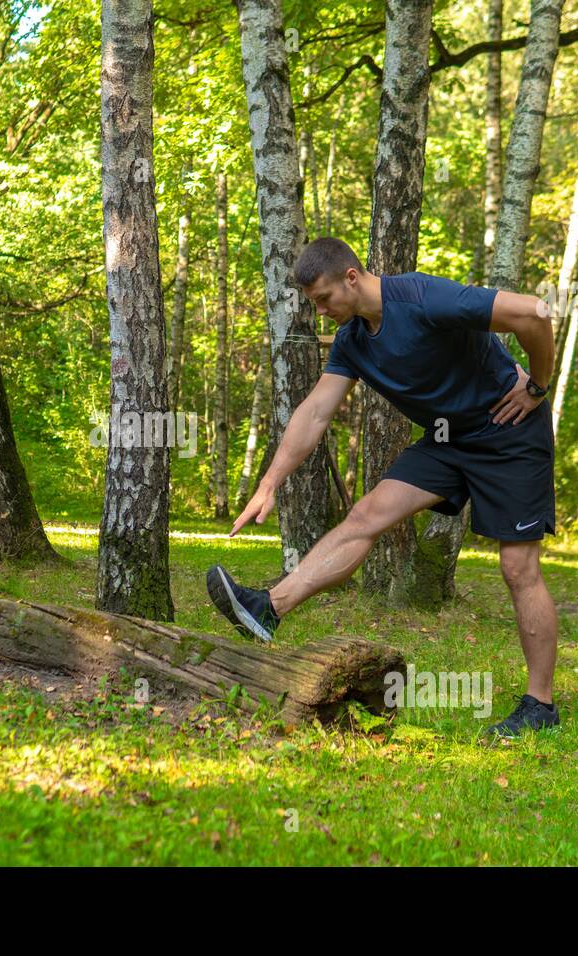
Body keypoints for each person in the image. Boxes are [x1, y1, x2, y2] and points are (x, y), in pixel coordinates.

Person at [205, 237, 560, 738]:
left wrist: (537, 386)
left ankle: (540, 705)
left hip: (509, 431)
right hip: (447, 439)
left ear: (352, 277)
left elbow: (533, 312)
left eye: (324, 298)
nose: (321, 311)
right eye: (313, 304)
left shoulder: (422, 298)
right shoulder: (353, 341)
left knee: (517, 566)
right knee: (366, 515)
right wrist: (269, 483)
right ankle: (269, 608)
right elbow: (314, 412)